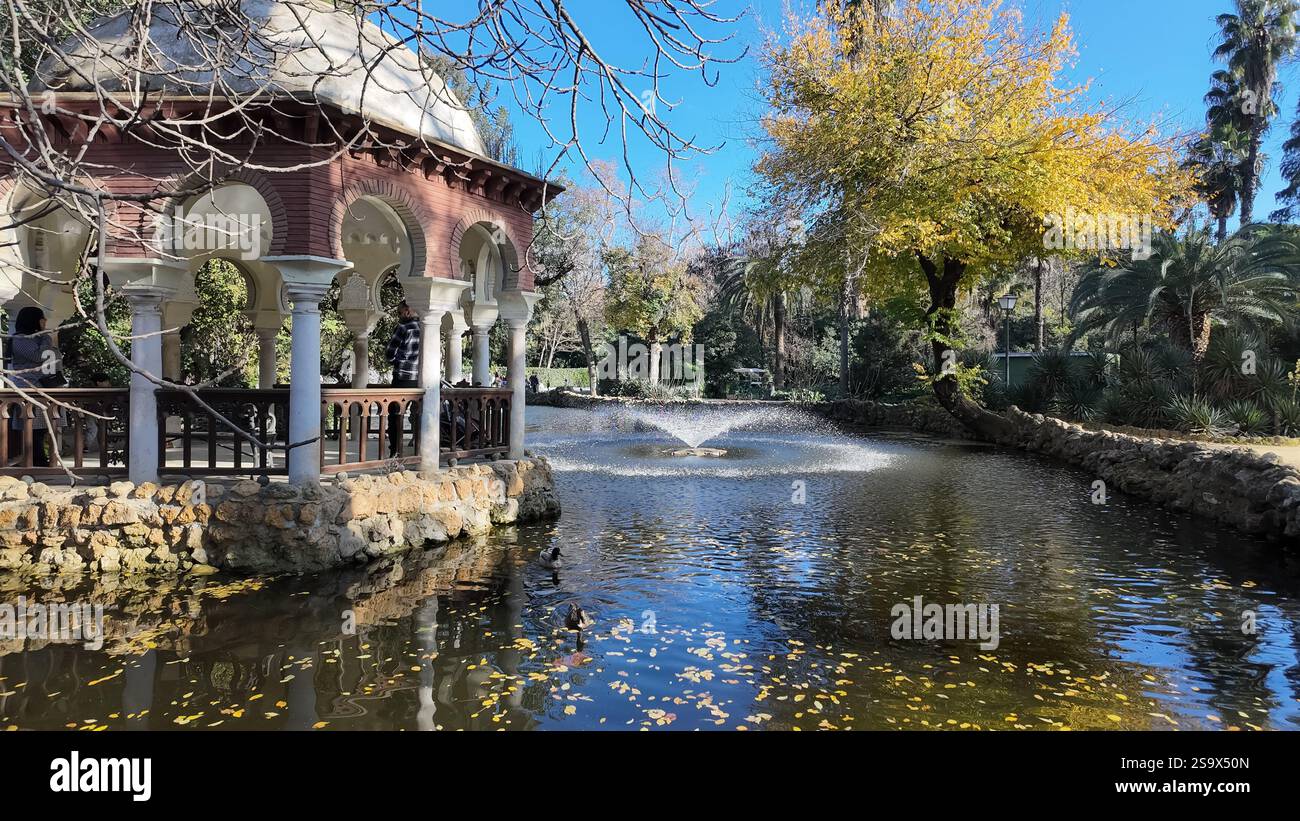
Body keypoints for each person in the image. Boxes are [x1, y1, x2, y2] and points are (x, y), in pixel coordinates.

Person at [7, 306, 58, 466]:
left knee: (41, 428)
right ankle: (35, 461)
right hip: (27, 388)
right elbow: (38, 356)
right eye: (42, 318)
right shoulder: (20, 339)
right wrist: (46, 337)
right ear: (33, 320)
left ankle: (38, 460)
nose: (45, 321)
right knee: (31, 427)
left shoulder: (36, 338)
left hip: (40, 388)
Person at [385, 300, 421, 458]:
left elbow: (389, 353)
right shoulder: (426, 327)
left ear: (407, 311)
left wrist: (397, 361)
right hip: (420, 379)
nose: (399, 316)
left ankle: (395, 451)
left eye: (399, 313)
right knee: (420, 414)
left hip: (402, 377)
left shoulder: (403, 327)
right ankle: (422, 449)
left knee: (395, 415)